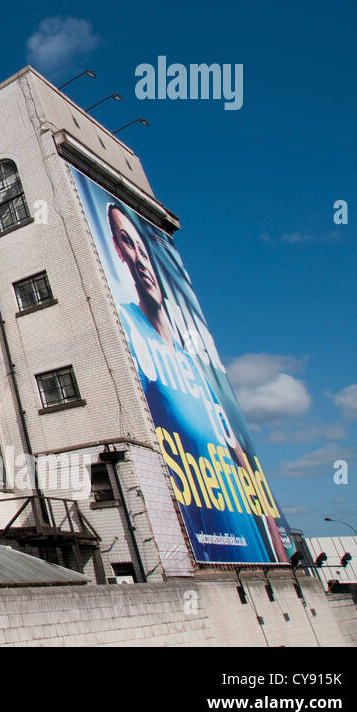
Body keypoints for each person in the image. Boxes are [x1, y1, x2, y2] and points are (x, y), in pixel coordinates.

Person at [106, 202, 289, 564]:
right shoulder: (124, 327)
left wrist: (282, 557)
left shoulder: (196, 361)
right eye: (127, 243)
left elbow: (242, 459)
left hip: (250, 542)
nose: (141, 258)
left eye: (143, 246)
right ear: (118, 252)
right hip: (202, 539)